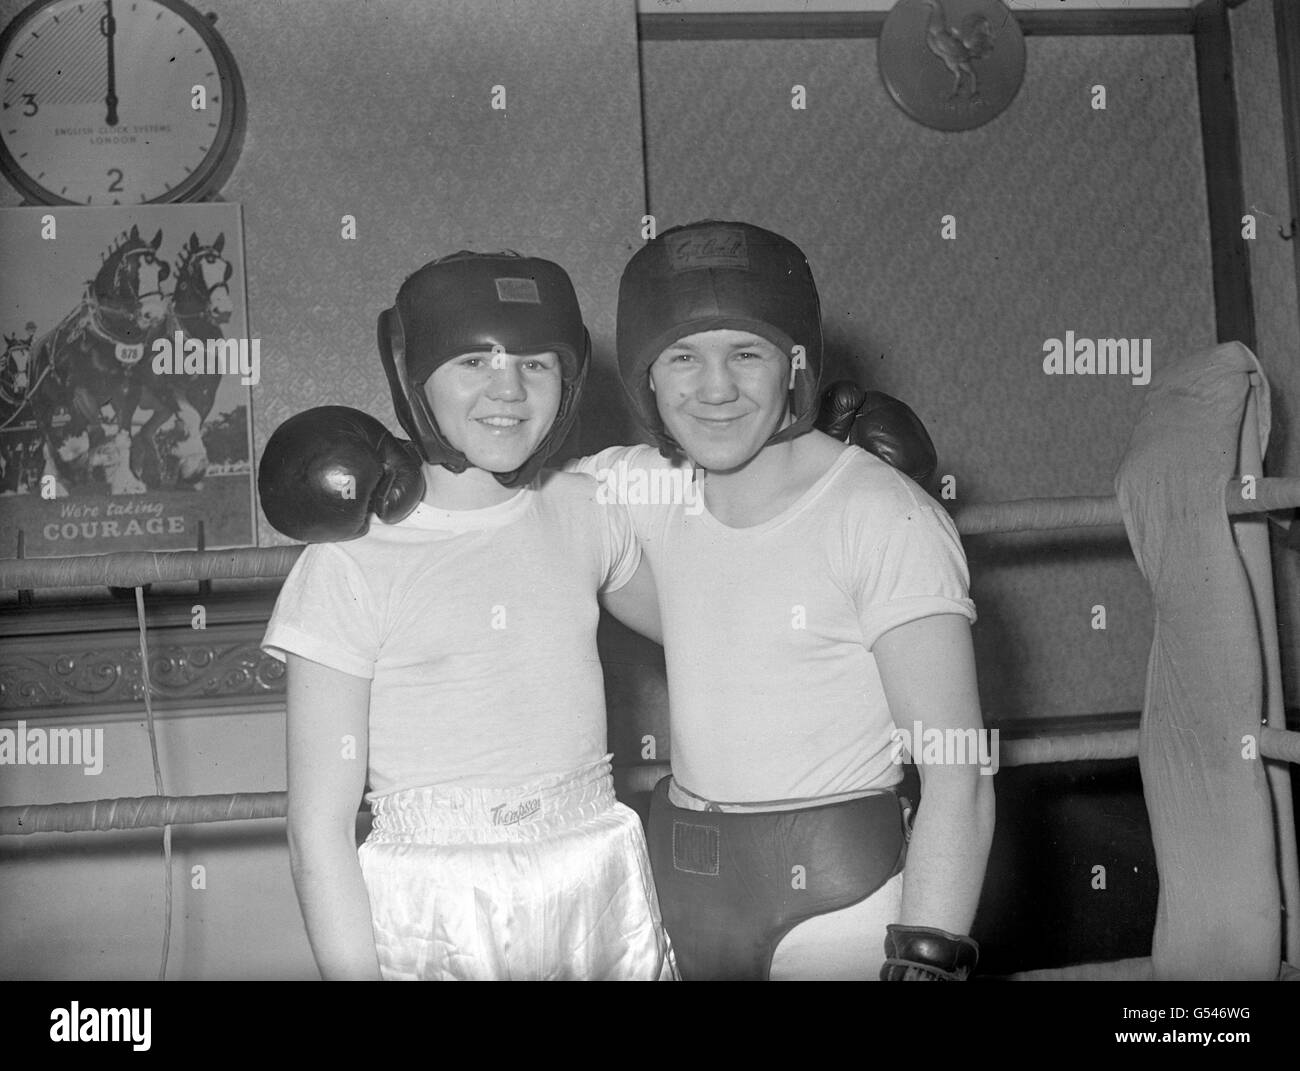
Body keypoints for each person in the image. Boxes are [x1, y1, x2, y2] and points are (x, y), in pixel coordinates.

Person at [562, 220, 994, 980]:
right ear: (648, 377)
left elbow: (959, 769)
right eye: (684, 356)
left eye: (747, 352)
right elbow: (505, 509)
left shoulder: (882, 515)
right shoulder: (637, 491)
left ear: (795, 366)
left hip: (839, 905)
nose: (716, 387)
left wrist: (925, 958)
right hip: (682, 890)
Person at [258, 250, 676, 980]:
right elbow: (316, 829)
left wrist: (795, 465)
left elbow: (708, 629)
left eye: (536, 363)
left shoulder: (585, 511)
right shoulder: (350, 561)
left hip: (596, 878)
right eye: (473, 362)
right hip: (434, 908)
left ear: (569, 378)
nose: (507, 389)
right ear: (412, 377)